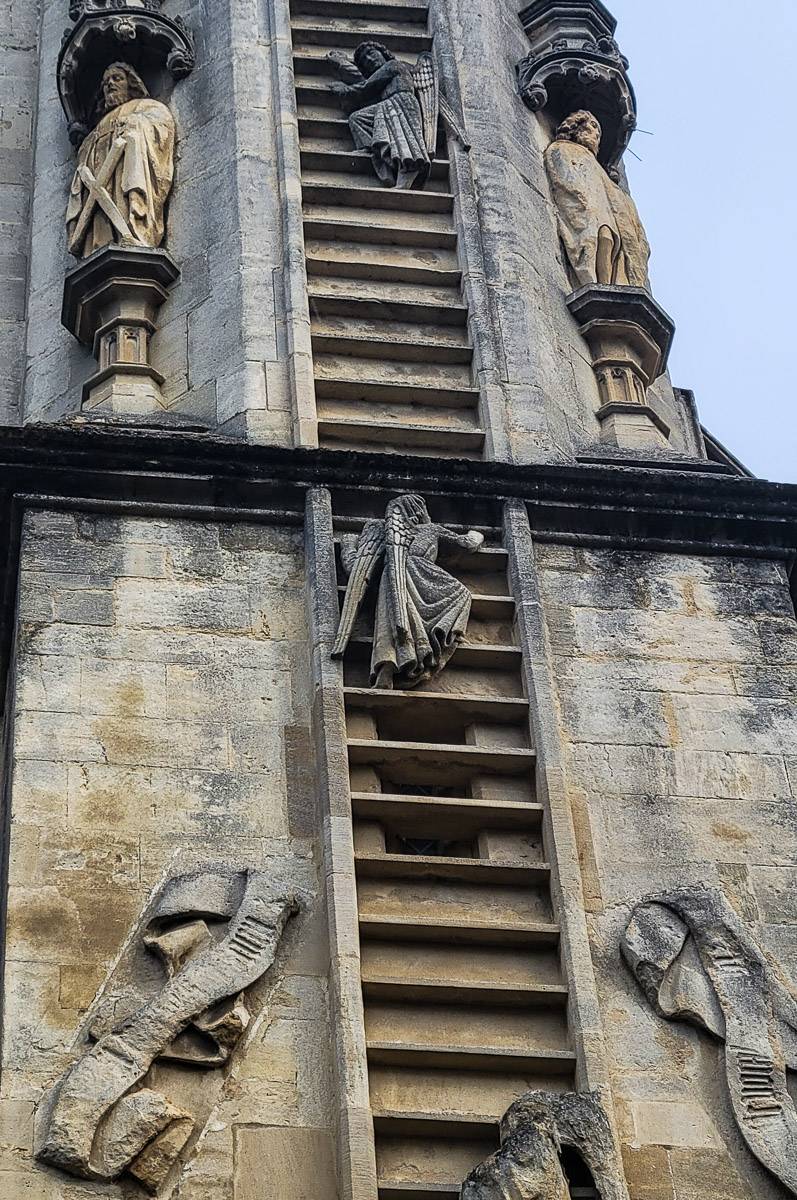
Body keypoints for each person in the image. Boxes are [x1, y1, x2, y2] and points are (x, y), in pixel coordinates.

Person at [66, 62, 175, 259]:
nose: (110, 84)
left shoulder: (144, 106)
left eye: (117, 79)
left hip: (123, 183)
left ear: (131, 84)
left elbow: (162, 126)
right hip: (99, 188)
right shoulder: (98, 126)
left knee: (126, 207)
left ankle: (134, 229)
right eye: (105, 82)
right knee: (99, 226)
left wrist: (135, 124)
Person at [544, 109, 650, 288]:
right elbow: (566, 180)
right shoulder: (563, 148)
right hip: (589, 209)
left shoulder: (600, 168)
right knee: (604, 236)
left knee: (617, 244)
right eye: (593, 126)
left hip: (606, 211)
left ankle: (615, 286)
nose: (596, 134)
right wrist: (586, 205)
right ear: (576, 127)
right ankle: (599, 284)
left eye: (599, 133)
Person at [326, 41, 431, 190]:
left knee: (403, 141)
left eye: (371, 53)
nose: (369, 59)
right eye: (364, 60)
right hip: (388, 106)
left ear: (383, 53)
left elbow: (366, 87)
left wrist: (345, 90)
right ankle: (377, 155)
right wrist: (341, 63)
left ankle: (405, 179)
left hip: (401, 105)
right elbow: (365, 82)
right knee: (357, 118)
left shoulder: (393, 65)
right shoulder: (382, 76)